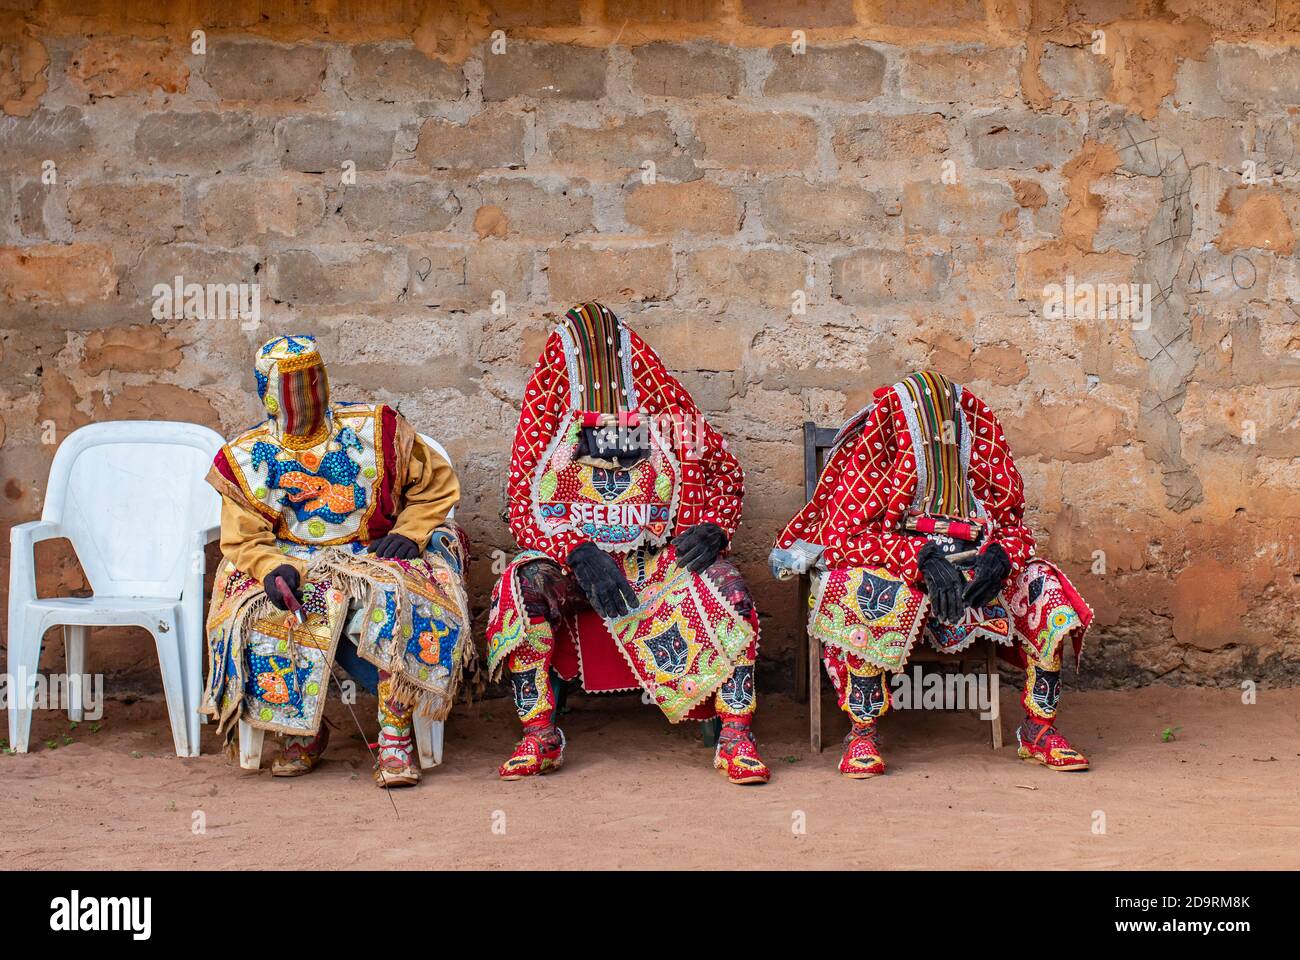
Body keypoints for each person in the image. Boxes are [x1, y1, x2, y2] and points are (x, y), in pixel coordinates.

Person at [485, 302, 769, 785]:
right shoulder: (547, 415)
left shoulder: (666, 408)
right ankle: (540, 734)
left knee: (729, 587)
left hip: (654, 560)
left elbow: (725, 473)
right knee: (521, 587)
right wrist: (575, 550)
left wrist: (715, 527)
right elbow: (522, 502)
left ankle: (736, 734)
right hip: (574, 564)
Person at [771, 370, 1093, 777]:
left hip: (974, 572)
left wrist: (1001, 556)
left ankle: (1038, 730)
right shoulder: (877, 454)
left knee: (1046, 586)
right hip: (901, 570)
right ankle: (863, 732)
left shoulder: (978, 448)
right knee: (858, 587)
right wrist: (919, 557)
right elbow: (843, 537)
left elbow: (1012, 527)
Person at [202, 334, 470, 788]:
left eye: (309, 381)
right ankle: (299, 729)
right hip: (290, 557)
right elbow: (243, 538)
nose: (302, 395)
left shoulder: (376, 428)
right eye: (289, 386)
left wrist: (410, 531)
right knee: (268, 612)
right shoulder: (245, 457)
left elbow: (435, 487)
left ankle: (395, 733)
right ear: (265, 391)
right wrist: (270, 568)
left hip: (372, 550)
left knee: (398, 599)